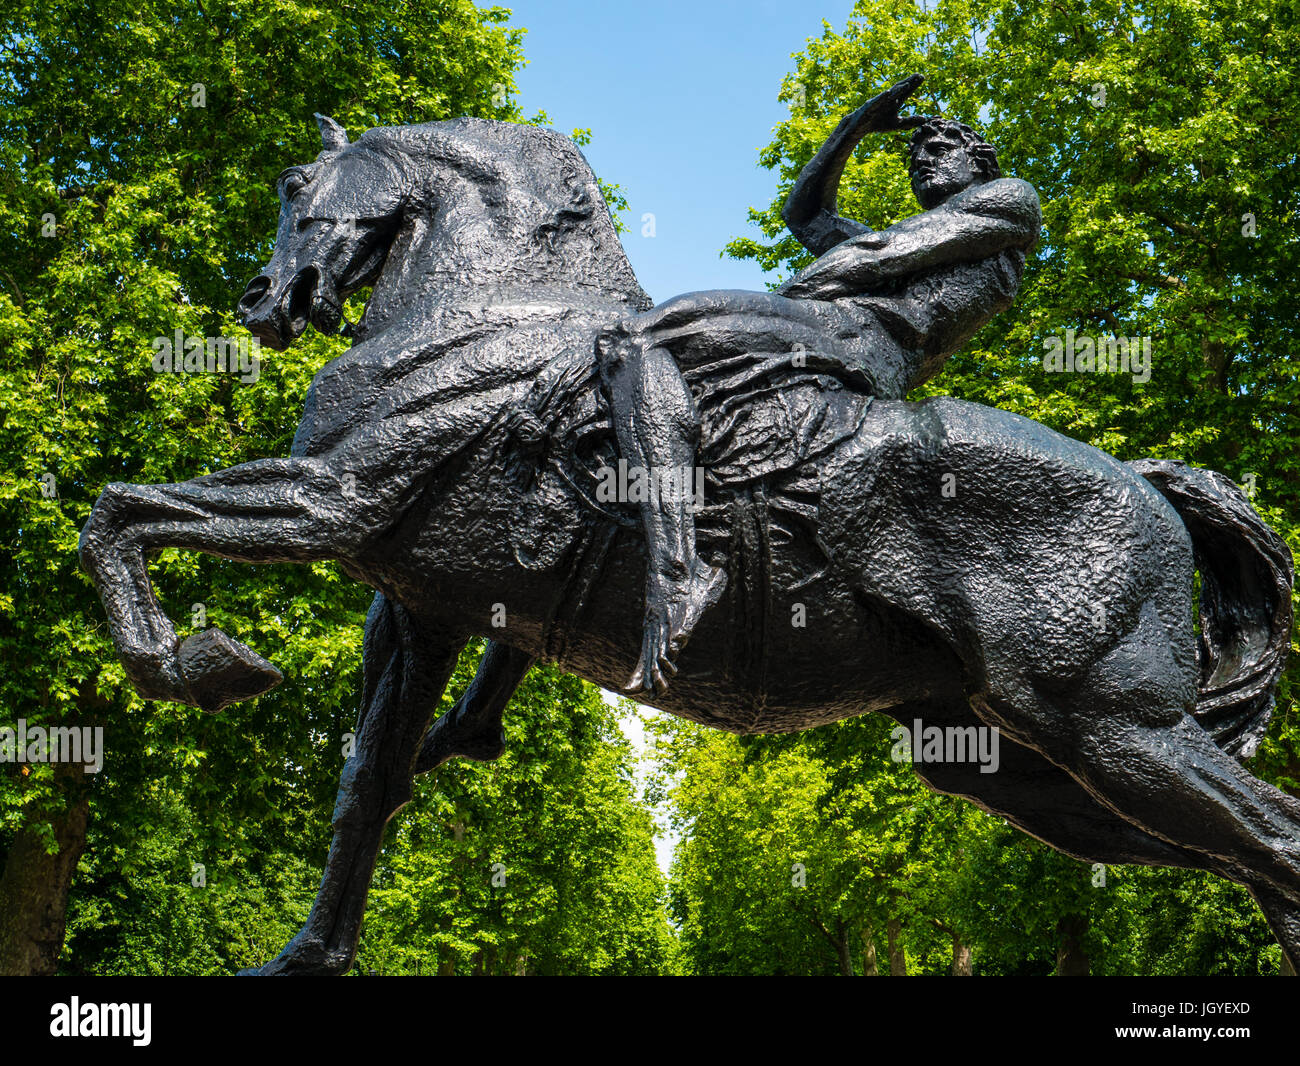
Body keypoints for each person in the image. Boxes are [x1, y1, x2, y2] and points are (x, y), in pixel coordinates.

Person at [596, 74, 1042, 693]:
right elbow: (804, 214)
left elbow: (882, 254)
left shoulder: (1009, 200)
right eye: (916, 152)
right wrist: (855, 126)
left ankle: (678, 571)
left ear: (980, 159)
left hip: (858, 344)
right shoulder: (924, 244)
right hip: (838, 331)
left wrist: (779, 301)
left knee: (637, 341)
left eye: (943, 144)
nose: (924, 156)